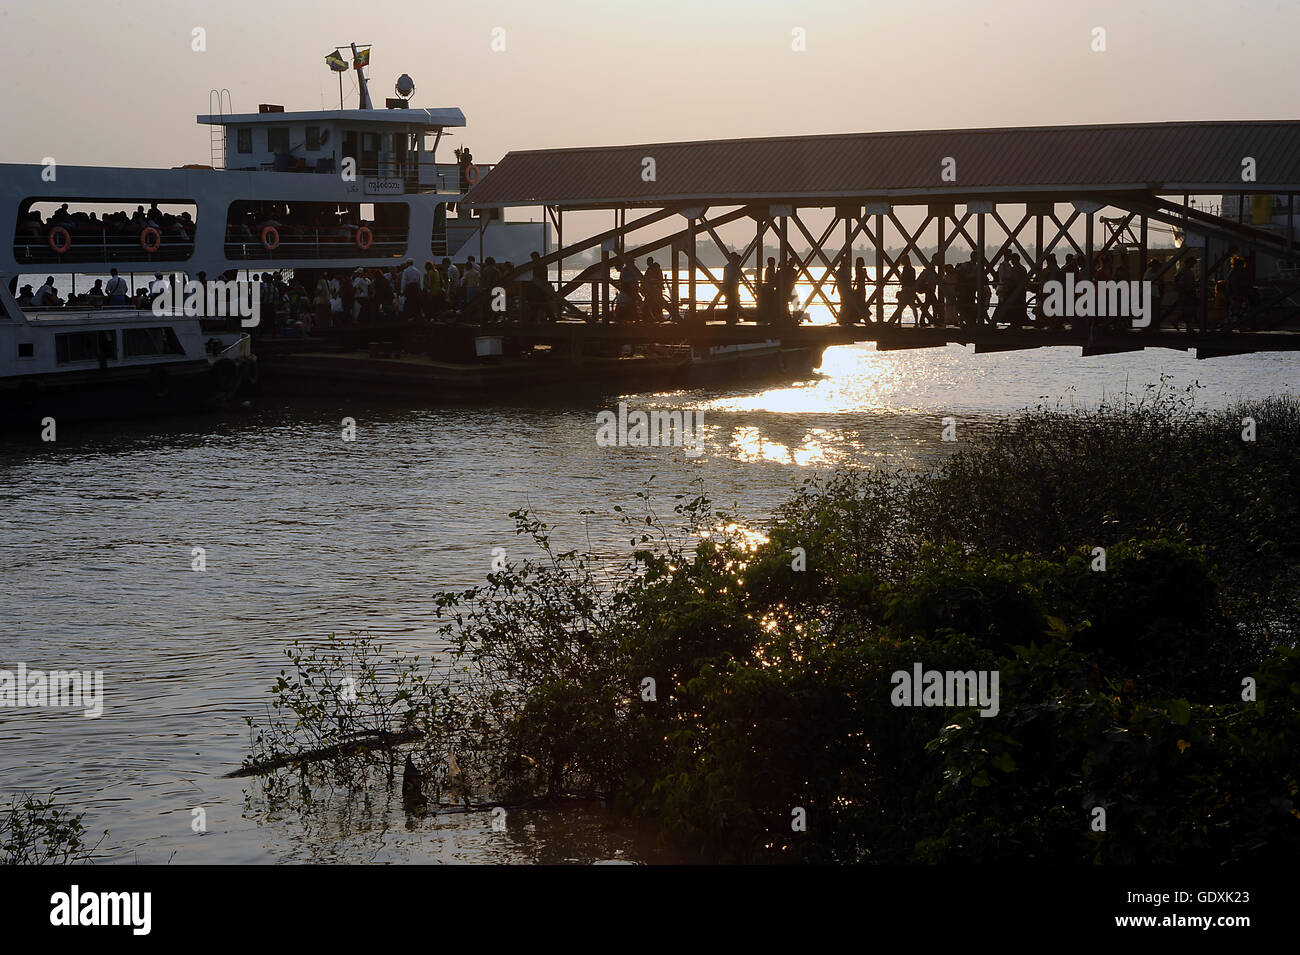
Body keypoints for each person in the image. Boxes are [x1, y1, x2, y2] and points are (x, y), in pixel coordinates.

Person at [888, 254, 917, 324]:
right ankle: (916, 322)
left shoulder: (905, 269)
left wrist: (901, 276)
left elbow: (903, 280)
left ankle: (899, 322)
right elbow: (913, 279)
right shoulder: (912, 269)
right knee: (913, 307)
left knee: (900, 307)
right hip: (911, 289)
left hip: (905, 289)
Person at [642, 256, 664, 324]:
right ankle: (657, 315)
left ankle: (652, 315)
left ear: (650, 262)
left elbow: (646, 278)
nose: (647, 263)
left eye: (648, 262)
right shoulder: (656, 269)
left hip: (653, 288)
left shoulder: (651, 269)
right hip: (656, 287)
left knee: (652, 301)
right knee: (657, 302)